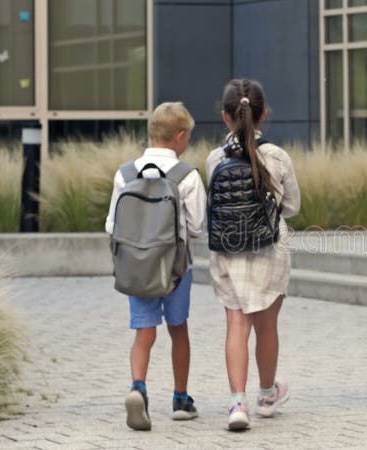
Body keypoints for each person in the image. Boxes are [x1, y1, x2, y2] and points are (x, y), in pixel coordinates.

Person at [206, 79, 301, 431]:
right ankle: (266, 396)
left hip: (228, 251)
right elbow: (292, 207)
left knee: (236, 324)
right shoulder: (277, 156)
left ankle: (237, 403)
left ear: (225, 116)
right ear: (264, 114)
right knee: (267, 326)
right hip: (269, 248)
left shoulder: (215, 158)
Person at [105, 102, 207, 431]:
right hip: (176, 268)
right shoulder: (187, 176)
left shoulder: (125, 174)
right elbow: (197, 228)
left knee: (143, 333)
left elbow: (111, 226)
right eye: (188, 137)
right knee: (179, 330)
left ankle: (139, 388)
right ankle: (181, 400)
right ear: (180, 137)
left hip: (137, 267)